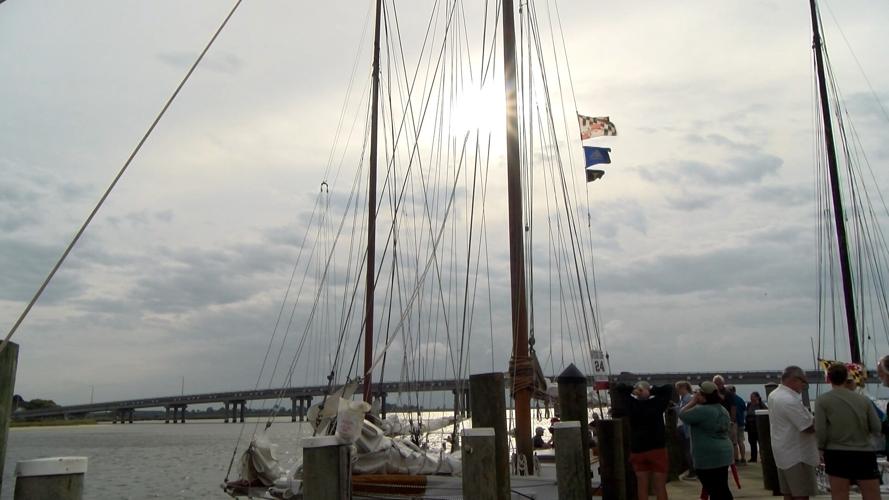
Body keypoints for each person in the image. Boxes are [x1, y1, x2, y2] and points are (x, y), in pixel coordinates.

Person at [815, 363, 881, 500]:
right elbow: (876, 427)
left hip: (837, 453)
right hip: (864, 453)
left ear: (829, 379)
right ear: (846, 378)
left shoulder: (822, 400)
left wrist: (820, 448)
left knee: (839, 495)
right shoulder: (864, 400)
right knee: (872, 494)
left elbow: (820, 429)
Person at [612, 381, 673, 500]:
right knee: (659, 486)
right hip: (657, 449)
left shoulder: (631, 404)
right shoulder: (657, 403)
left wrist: (633, 389)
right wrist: (651, 390)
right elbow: (668, 388)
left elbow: (620, 387)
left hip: (638, 450)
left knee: (642, 486)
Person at [768, 366, 819, 500]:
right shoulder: (789, 400)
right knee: (801, 494)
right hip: (798, 456)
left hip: (783, 453)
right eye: (803, 382)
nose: (804, 386)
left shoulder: (774, 395)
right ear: (794, 380)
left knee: (788, 493)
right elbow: (807, 426)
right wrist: (824, 423)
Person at [679, 381, 734, 500]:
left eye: (698, 392)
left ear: (704, 395)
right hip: (724, 453)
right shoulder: (722, 409)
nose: (695, 394)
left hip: (708, 457)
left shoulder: (702, 411)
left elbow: (682, 414)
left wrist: (693, 401)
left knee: (714, 490)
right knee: (722, 488)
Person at [713, 375, 738, 461]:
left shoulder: (728, 393)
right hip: (717, 421)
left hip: (729, 421)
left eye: (719, 382)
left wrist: (732, 420)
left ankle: (735, 459)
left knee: (733, 442)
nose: (717, 384)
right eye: (716, 383)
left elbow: (733, 407)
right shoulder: (713, 394)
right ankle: (724, 459)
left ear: (723, 383)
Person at [675, 380, 696, 479]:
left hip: (686, 428)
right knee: (685, 451)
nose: (677, 391)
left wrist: (676, 408)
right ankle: (690, 470)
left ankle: (693, 471)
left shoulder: (688, 398)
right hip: (682, 427)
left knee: (688, 451)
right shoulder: (683, 398)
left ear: (684, 388)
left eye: (678, 388)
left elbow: (684, 411)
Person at [745, 391, 767, 463]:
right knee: (752, 443)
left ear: (757, 397)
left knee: (761, 444)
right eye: (751, 397)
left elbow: (766, 413)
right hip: (750, 428)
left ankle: (763, 458)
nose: (751, 398)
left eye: (753, 397)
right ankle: (753, 458)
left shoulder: (761, 405)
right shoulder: (749, 404)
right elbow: (746, 414)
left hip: (759, 427)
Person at [729, 386, 747, 463]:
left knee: (734, 442)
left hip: (734, 423)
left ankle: (736, 459)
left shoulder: (730, 400)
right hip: (741, 423)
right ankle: (743, 458)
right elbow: (745, 411)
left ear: (731, 391)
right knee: (741, 441)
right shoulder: (740, 399)